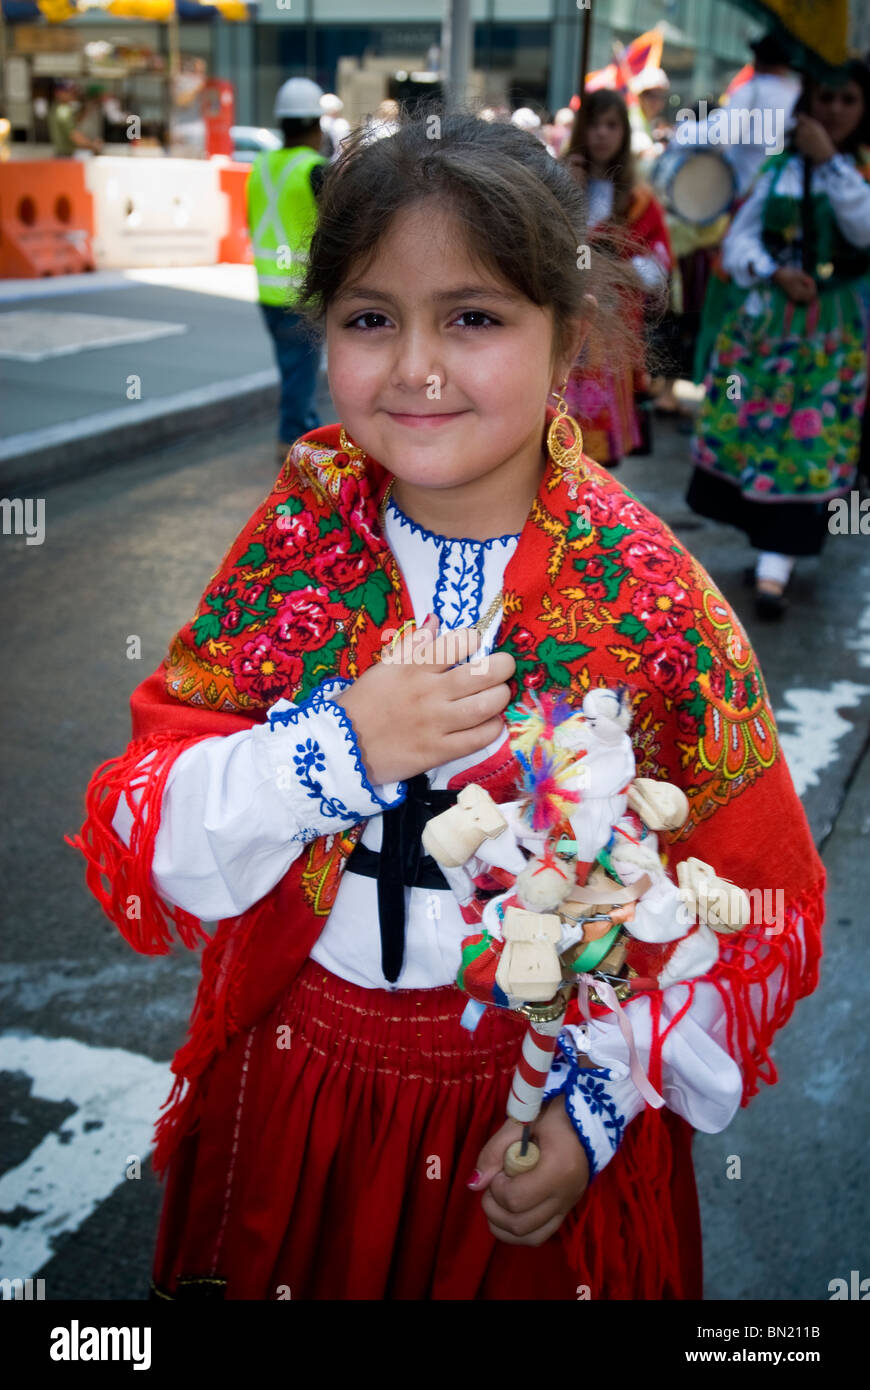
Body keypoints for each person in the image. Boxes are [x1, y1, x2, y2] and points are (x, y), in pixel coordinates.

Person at [70, 112, 823, 1301]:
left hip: (528, 1111)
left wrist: (594, 1104)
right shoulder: (296, 541)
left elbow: (761, 903)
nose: (416, 365)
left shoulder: (650, 598)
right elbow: (144, 817)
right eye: (372, 318)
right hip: (302, 1089)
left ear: (570, 333)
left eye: (472, 317)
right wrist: (335, 751)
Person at [688, 61, 870, 619]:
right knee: (758, 434)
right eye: (826, 98)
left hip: (831, 338)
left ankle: (775, 570)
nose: (836, 110)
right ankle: (771, 550)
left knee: (810, 443)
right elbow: (737, 243)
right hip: (765, 336)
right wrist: (772, 271)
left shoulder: (857, 171)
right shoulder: (777, 170)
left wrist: (831, 164)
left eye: (848, 100)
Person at [562, 90, 672, 465]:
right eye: (593, 124)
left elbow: (658, 271)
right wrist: (565, 193)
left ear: (624, 132)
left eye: (611, 125)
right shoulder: (558, 187)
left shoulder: (639, 201)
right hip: (560, 328)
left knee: (597, 459)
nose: (601, 134)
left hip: (610, 336)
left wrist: (610, 269)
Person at [246, 77, 328, 463]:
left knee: (290, 369)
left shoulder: (259, 167)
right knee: (301, 375)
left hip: (267, 291)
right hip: (301, 294)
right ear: (315, 125)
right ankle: (295, 440)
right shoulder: (314, 170)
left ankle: (296, 432)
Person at [47, 80, 101, 158]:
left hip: (63, 155)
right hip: (65, 157)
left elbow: (73, 123)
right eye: (68, 91)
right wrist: (92, 145)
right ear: (58, 93)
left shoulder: (59, 108)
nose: (72, 94)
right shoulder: (62, 111)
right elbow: (73, 135)